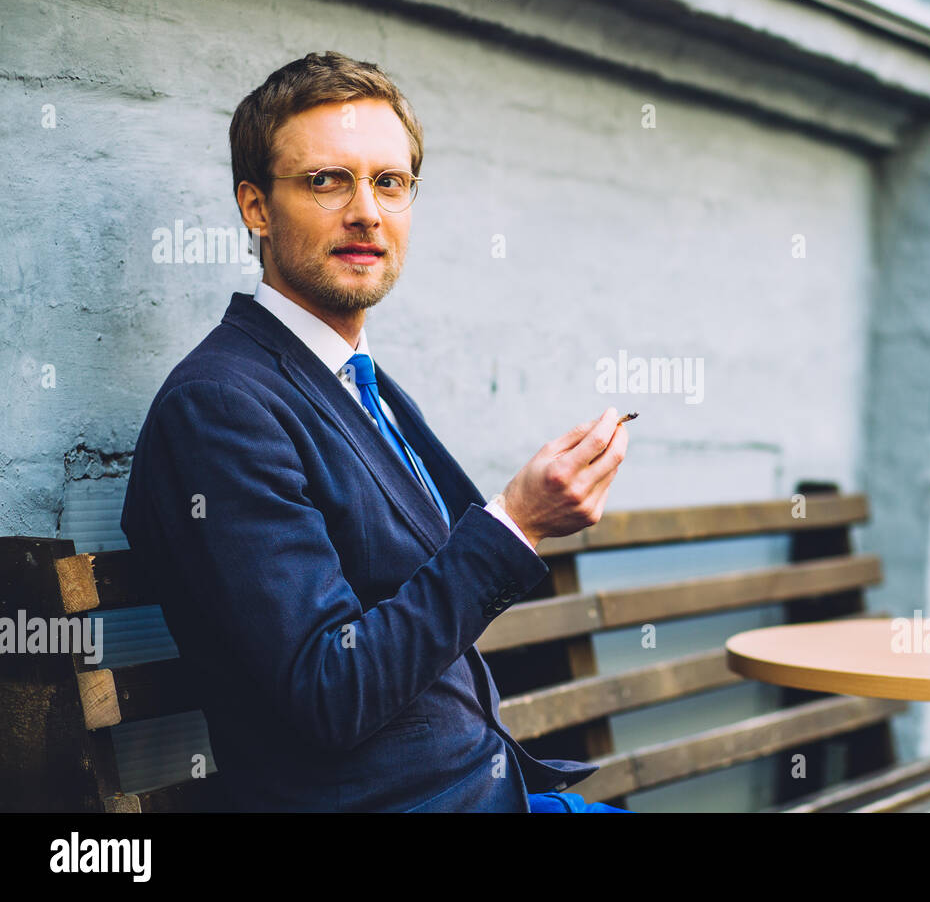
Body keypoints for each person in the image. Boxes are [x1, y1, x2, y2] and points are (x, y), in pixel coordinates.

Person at [120, 51, 631, 812]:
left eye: (389, 182)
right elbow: (331, 691)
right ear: (255, 207)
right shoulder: (218, 406)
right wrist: (516, 523)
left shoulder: (358, 381)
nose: (367, 210)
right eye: (327, 180)